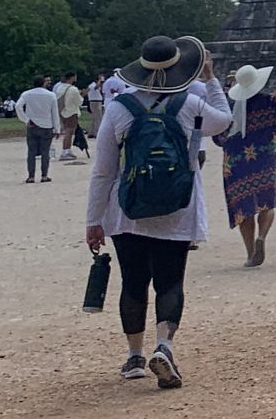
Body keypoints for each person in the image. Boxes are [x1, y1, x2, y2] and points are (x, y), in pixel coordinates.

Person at [84, 35, 232, 389]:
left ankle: (134, 356)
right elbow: (224, 120)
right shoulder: (191, 104)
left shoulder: (119, 108)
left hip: (129, 208)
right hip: (177, 206)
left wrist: (94, 219)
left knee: (133, 281)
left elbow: (103, 170)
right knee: (170, 280)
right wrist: (210, 78)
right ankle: (164, 346)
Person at [221, 64, 276, 267]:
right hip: (267, 155)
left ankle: (250, 254)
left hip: (237, 161)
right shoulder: (272, 100)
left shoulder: (230, 105)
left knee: (243, 207)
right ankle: (262, 236)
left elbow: (219, 134)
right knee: (267, 201)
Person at [15, 76, 59, 183]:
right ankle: (44, 175)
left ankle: (31, 176)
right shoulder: (51, 95)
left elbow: (18, 106)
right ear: (43, 83)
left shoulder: (26, 94)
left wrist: (25, 119)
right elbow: (55, 113)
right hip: (47, 125)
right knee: (45, 152)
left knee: (31, 152)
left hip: (32, 125)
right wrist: (57, 128)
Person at [54, 73, 87, 163]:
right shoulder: (73, 89)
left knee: (67, 131)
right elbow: (79, 102)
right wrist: (82, 95)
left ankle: (67, 150)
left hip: (63, 112)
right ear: (71, 78)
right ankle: (65, 151)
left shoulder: (60, 87)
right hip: (71, 112)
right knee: (69, 132)